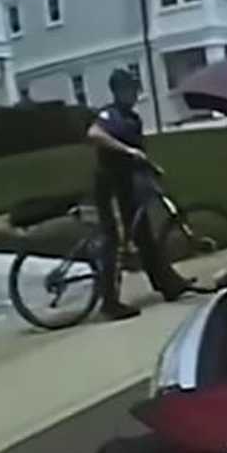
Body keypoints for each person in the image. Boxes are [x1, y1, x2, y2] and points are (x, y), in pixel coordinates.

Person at [86, 68, 189, 320]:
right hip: (110, 186)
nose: (132, 94)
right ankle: (109, 303)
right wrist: (128, 152)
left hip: (127, 186)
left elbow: (137, 153)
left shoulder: (133, 118)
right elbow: (94, 134)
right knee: (116, 241)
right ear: (117, 91)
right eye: (127, 89)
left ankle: (168, 284)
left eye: (134, 89)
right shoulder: (109, 114)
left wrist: (151, 168)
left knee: (144, 235)